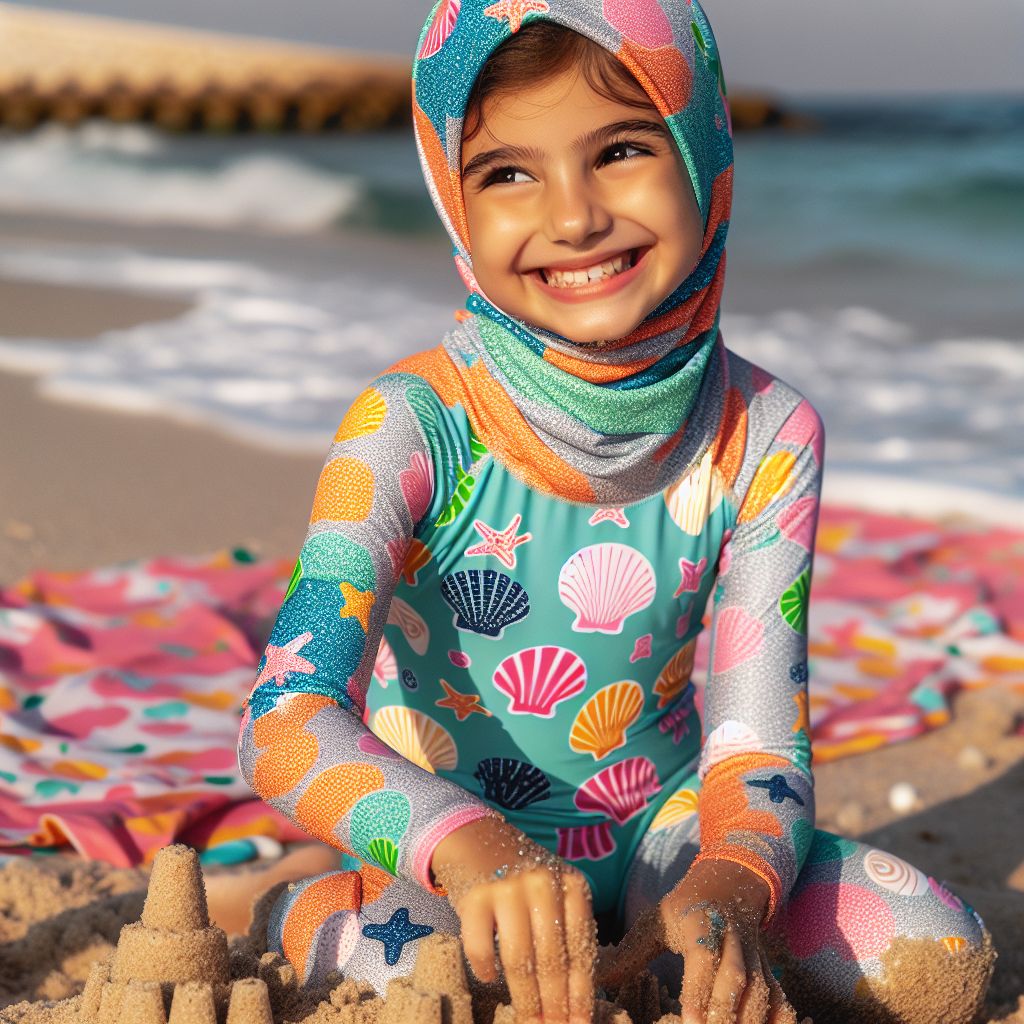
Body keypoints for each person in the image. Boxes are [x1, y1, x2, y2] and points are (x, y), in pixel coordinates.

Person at [233, 2, 994, 1022]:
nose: (575, 216)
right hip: (452, 849)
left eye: (622, 150)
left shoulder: (765, 432)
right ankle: (305, 901)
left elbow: (758, 743)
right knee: (422, 967)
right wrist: (465, 847)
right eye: (508, 173)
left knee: (934, 956)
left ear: (703, 154)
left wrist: (731, 882)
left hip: (666, 828)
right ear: (453, 200)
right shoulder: (411, 424)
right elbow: (284, 722)